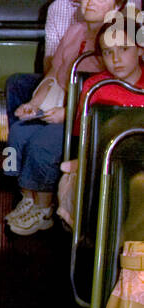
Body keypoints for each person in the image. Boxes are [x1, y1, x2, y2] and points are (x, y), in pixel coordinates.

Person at [4, 0, 130, 235]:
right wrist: (35, 103)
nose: (89, 3)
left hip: (84, 116)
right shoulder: (75, 32)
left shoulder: (119, 40)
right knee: (18, 132)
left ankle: (44, 208)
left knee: (43, 143)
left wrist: (67, 113)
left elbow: (101, 92)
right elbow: (53, 72)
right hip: (59, 102)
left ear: (117, 5)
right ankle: (26, 196)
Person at [56, 18, 144, 226]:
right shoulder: (95, 87)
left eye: (124, 49)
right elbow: (82, 138)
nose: (116, 58)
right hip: (103, 166)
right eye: (107, 52)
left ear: (140, 50)